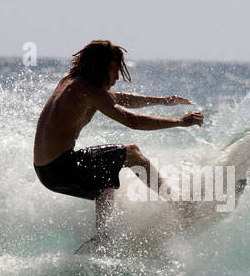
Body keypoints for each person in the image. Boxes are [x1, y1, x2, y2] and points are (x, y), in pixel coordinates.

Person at [33, 40, 204, 238]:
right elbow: (133, 121)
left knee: (104, 180)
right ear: (99, 67)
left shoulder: (71, 83)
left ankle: (102, 240)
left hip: (46, 171)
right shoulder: (87, 90)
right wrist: (179, 121)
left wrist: (164, 101)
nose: (116, 77)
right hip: (62, 167)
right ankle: (180, 205)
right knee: (132, 153)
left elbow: (118, 98)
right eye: (113, 70)